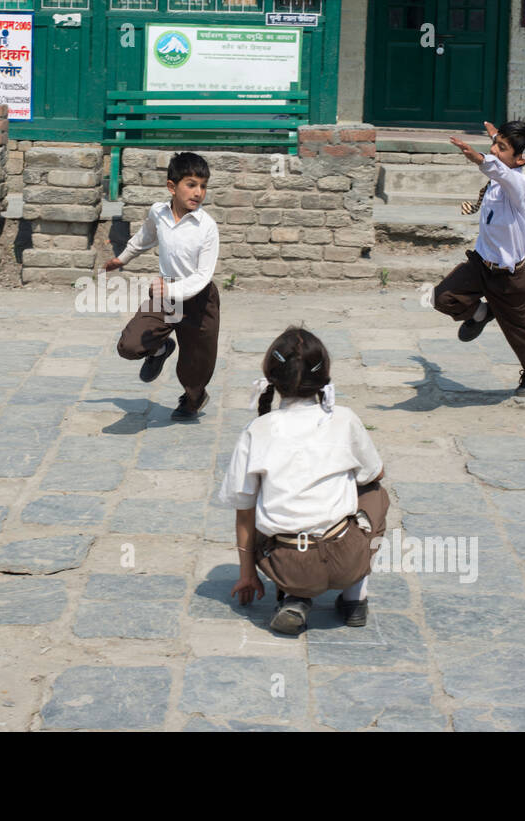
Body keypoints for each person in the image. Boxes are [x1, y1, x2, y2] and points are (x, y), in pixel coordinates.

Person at [218, 327, 389, 635]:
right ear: (324, 376)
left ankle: (295, 598)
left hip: (286, 566)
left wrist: (247, 575)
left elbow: (243, 510)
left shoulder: (257, 430)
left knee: (255, 503)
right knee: (375, 493)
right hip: (346, 557)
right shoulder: (345, 419)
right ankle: (354, 597)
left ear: (272, 377)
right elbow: (374, 473)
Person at [435, 119, 525, 397]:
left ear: (522, 158)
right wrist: (498, 137)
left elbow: (502, 172)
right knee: (442, 297)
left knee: (518, 331)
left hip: (509, 276)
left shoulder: (519, 185)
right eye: (494, 144)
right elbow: (500, 167)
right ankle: (482, 313)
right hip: (480, 263)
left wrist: (480, 158)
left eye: (501, 147)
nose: (493, 149)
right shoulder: (498, 180)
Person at [107, 151, 221, 420]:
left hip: (199, 301)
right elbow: (144, 237)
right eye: (191, 184)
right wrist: (121, 259)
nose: (198, 192)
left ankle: (193, 399)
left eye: (203, 186)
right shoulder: (158, 213)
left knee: (196, 366)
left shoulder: (207, 227)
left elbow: (203, 276)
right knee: (130, 345)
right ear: (172, 186)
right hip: (166, 296)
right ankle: (160, 349)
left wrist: (169, 291)